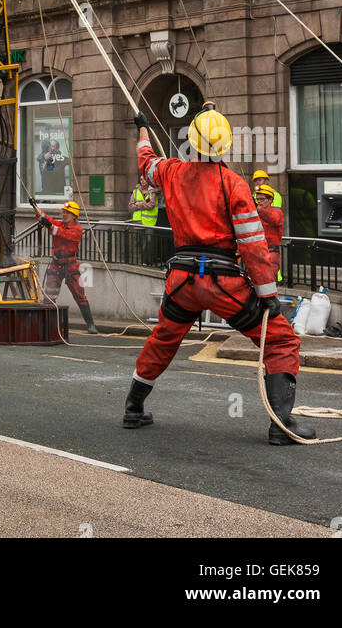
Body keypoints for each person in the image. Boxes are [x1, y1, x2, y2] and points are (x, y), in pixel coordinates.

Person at [123, 104, 315, 446]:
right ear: (225, 145)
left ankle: (133, 407)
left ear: (193, 143)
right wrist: (268, 294)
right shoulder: (235, 185)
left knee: (163, 340)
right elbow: (253, 245)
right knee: (281, 340)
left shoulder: (172, 171)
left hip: (181, 281)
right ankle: (281, 424)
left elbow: (146, 161)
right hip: (222, 283)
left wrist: (142, 129)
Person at [35, 199, 97, 332]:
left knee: (80, 296)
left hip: (71, 266)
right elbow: (46, 218)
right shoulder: (60, 224)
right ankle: (48, 325)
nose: (63, 214)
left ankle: (90, 324)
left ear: (74, 215)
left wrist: (48, 224)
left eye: (67, 213)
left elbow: (61, 233)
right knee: (49, 296)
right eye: (63, 212)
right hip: (56, 265)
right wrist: (35, 207)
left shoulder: (77, 230)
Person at [253, 180, 284, 284]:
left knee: (267, 283)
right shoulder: (257, 214)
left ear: (270, 200)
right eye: (258, 199)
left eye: (262, 199)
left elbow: (274, 220)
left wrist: (259, 210)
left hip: (271, 253)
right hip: (258, 252)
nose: (259, 202)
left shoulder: (277, 212)